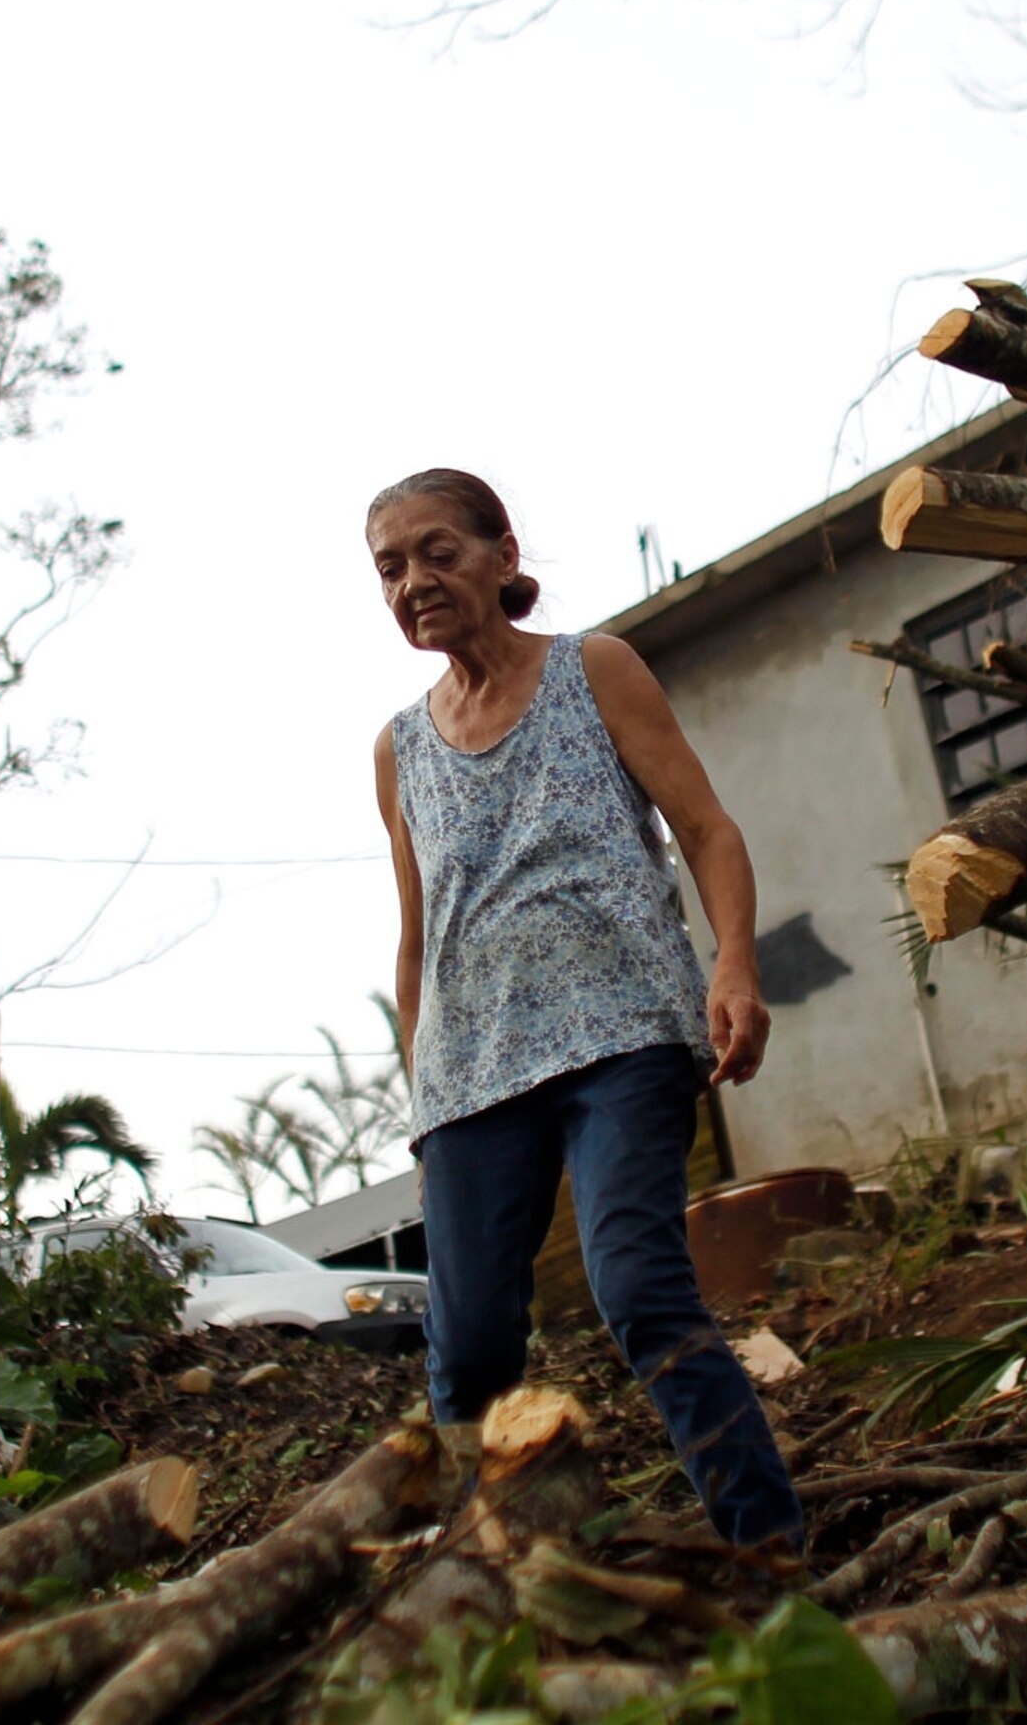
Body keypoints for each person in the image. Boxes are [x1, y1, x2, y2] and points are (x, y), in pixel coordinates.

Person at [366, 467, 803, 1550]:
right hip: (471, 1073)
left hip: (622, 1040)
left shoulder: (592, 669)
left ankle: (768, 1552)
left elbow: (708, 828)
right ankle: (500, 1574)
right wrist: (424, 1099)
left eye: (437, 550)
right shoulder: (399, 749)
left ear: (503, 556)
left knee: (640, 1285)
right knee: (467, 1349)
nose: (414, 579)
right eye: (389, 567)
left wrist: (734, 965)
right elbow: (419, 936)